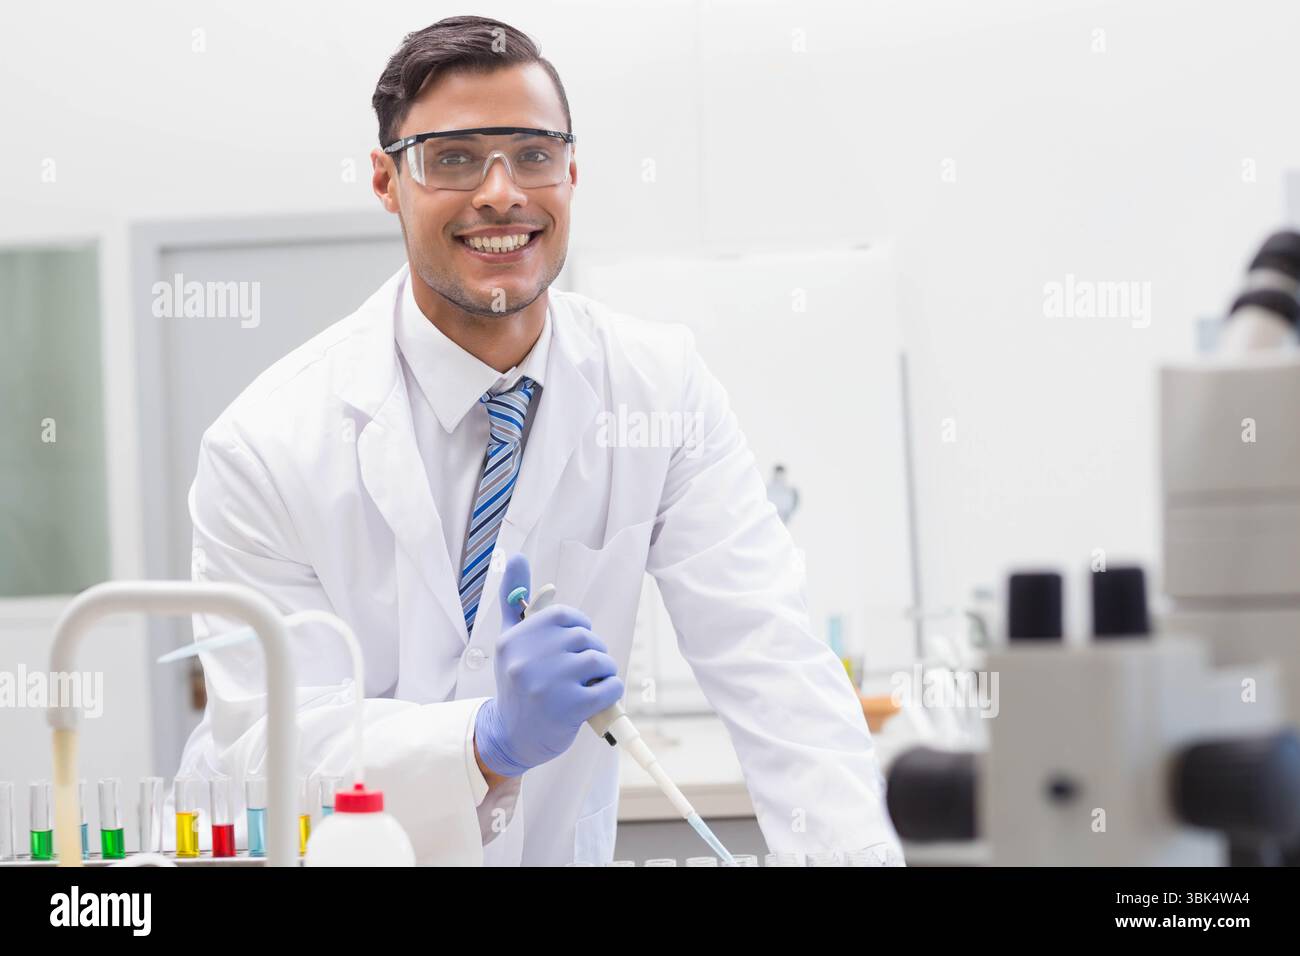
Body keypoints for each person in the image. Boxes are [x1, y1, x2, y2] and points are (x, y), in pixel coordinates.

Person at [178, 15, 901, 866]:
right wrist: (483, 741)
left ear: (571, 171)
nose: (500, 193)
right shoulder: (265, 446)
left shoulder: (659, 389)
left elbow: (775, 665)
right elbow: (271, 747)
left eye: (532, 153)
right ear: (385, 180)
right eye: (452, 157)